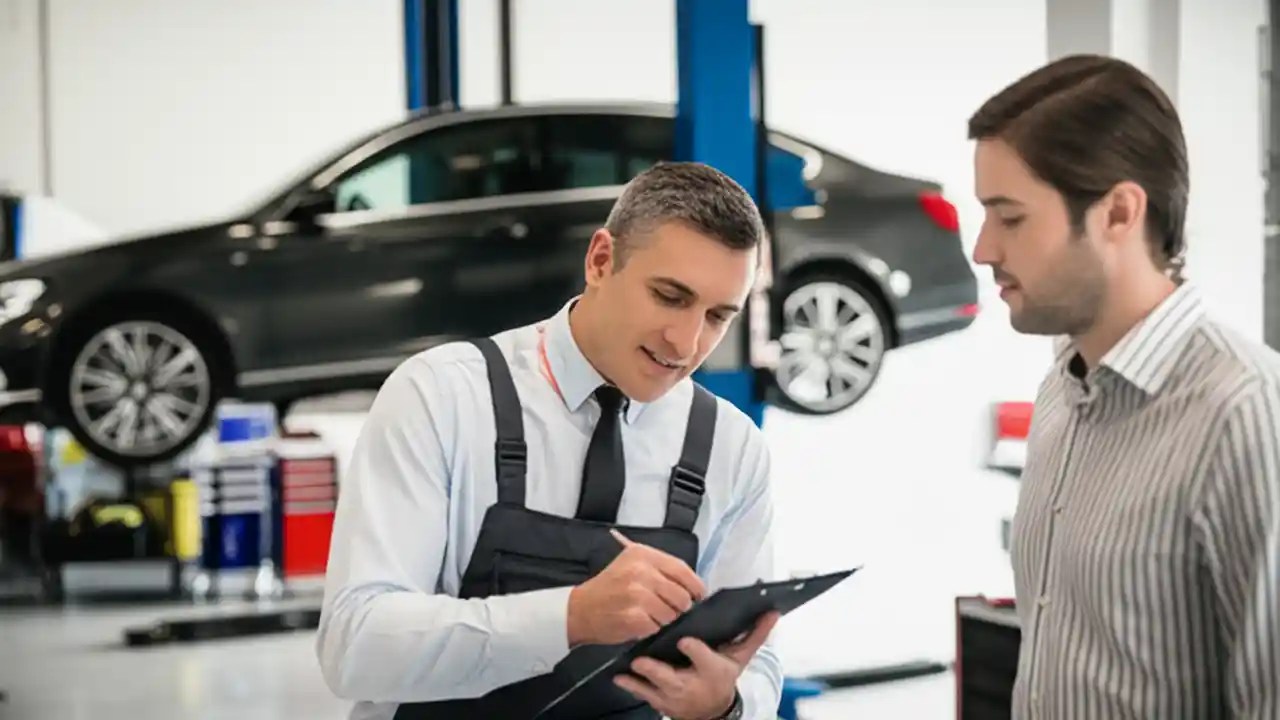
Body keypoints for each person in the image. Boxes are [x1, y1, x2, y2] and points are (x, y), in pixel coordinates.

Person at [316, 161, 783, 720]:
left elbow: (757, 665)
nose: (685, 343)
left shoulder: (732, 449)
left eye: (717, 317)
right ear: (601, 260)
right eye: (669, 297)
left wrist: (725, 704)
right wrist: (573, 616)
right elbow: (355, 647)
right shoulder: (441, 398)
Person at [968, 53, 1280, 719]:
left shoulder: (1243, 411)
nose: (983, 248)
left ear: (1117, 212)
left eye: (1010, 217)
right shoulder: (1063, 393)